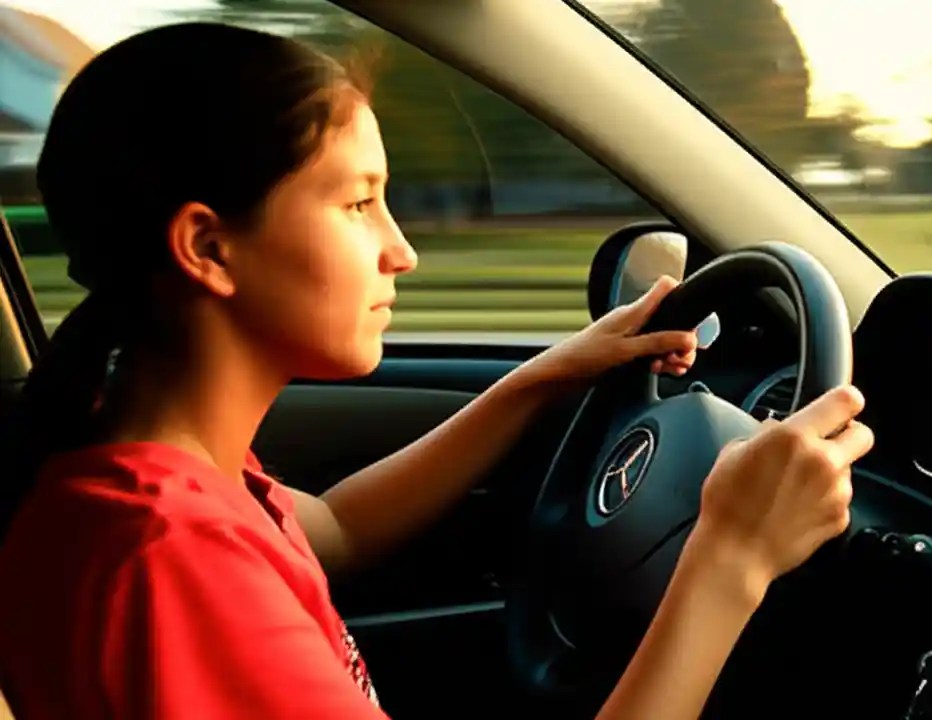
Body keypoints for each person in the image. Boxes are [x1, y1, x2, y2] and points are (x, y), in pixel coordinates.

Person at [0, 22, 874, 720]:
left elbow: (335, 528)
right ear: (207, 247)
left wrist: (545, 376)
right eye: (357, 203)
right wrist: (731, 558)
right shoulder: (166, 560)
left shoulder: (178, 484)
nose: (403, 252)